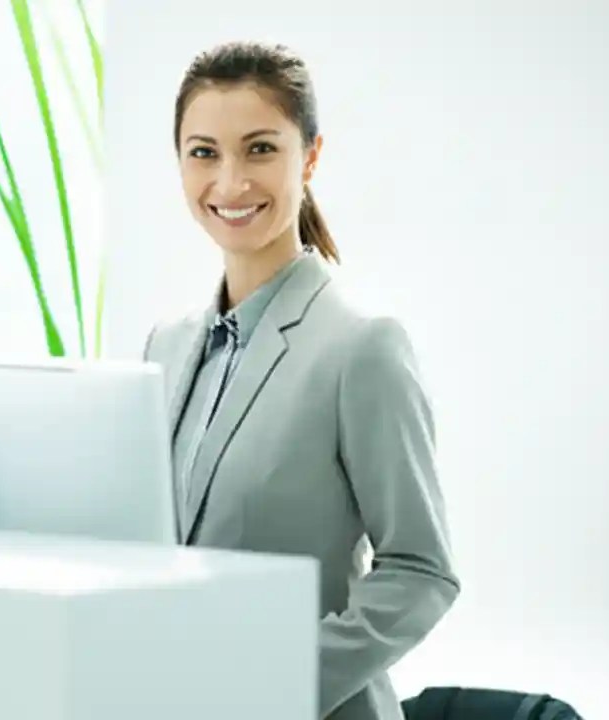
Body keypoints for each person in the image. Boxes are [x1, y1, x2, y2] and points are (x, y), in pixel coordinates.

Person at [143, 40, 461, 720]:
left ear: (309, 157)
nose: (229, 183)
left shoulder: (361, 345)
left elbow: (421, 571)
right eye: (204, 152)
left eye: (260, 149)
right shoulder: (165, 350)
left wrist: (277, 686)